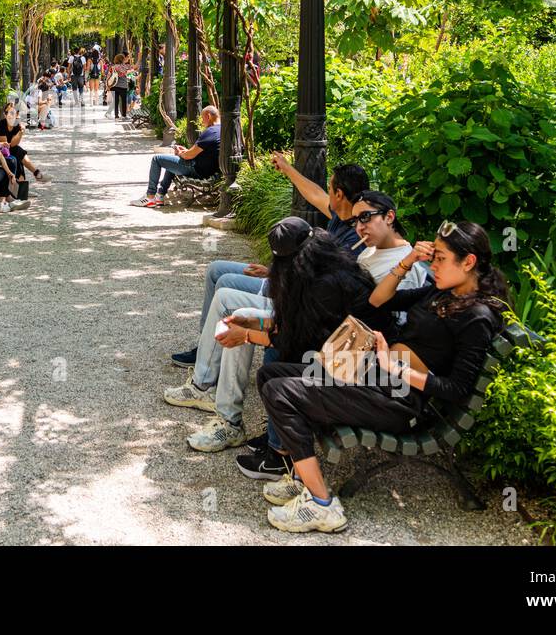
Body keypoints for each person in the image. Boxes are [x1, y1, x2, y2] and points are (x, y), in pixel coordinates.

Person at [257, 221, 508, 533]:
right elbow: (378, 301)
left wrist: (394, 367)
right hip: (376, 379)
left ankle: (322, 505)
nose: (433, 264)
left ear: (468, 261)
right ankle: (301, 479)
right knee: (271, 374)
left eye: (440, 258)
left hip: (400, 401)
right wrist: (408, 261)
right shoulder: (440, 292)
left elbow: (456, 389)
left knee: (281, 392)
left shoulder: (476, 317)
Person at [232, 190, 432, 477]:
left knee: (279, 357)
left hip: (367, 366)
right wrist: (259, 326)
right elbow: (305, 328)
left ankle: (281, 456)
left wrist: (249, 335)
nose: (359, 226)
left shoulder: (325, 282)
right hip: (351, 350)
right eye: (356, 220)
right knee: (277, 351)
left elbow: (299, 338)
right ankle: (278, 445)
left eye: (366, 217)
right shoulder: (331, 265)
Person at [165, 218, 374, 452]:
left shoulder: (324, 285)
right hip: (331, 349)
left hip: (350, 368)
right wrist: (253, 323)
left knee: (251, 334)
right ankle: (227, 417)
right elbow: (295, 325)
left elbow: (293, 339)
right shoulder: (323, 266)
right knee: (241, 315)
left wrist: (246, 334)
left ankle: (247, 432)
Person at [270, 152, 368, 253]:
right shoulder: (343, 214)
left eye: (329, 189)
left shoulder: (356, 238)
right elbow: (315, 194)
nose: (327, 193)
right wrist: (286, 167)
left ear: (339, 194)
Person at [132, 105, 220, 207]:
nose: (202, 121)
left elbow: (188, 157)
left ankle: (150, 196)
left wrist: (181, 153)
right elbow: (200, 152)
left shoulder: (210, 132)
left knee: (156, 159)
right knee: (172, 162)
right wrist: (185, 151)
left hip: (197, 170)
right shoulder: (220, 130)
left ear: (208, 116)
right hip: (207, 169)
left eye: (202, 118)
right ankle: (160, 195)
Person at [0, 101, 48, 184]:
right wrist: (20, 133)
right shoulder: (1, 125)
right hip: (0, 151)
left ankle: (22, 188)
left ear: (17, 115)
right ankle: (36, 173)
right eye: (7, 112)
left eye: (12, 113)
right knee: (18, 152)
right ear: (4, 114)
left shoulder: (17, 125)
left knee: (18, 156)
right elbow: (6, 146)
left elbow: (13, 144)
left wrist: (20, 132)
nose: (9, 115)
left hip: (12, 151)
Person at [108, 53, 133, 118]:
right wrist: (138, 59)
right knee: (124, 101)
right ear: (122, 59)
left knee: (116, 101)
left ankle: (116, 115)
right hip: (123, 87)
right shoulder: (124, 66)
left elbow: (109, 76)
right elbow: (134, 67)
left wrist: (108, 86)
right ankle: (124, 115)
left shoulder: (113, 67)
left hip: (114, 86)